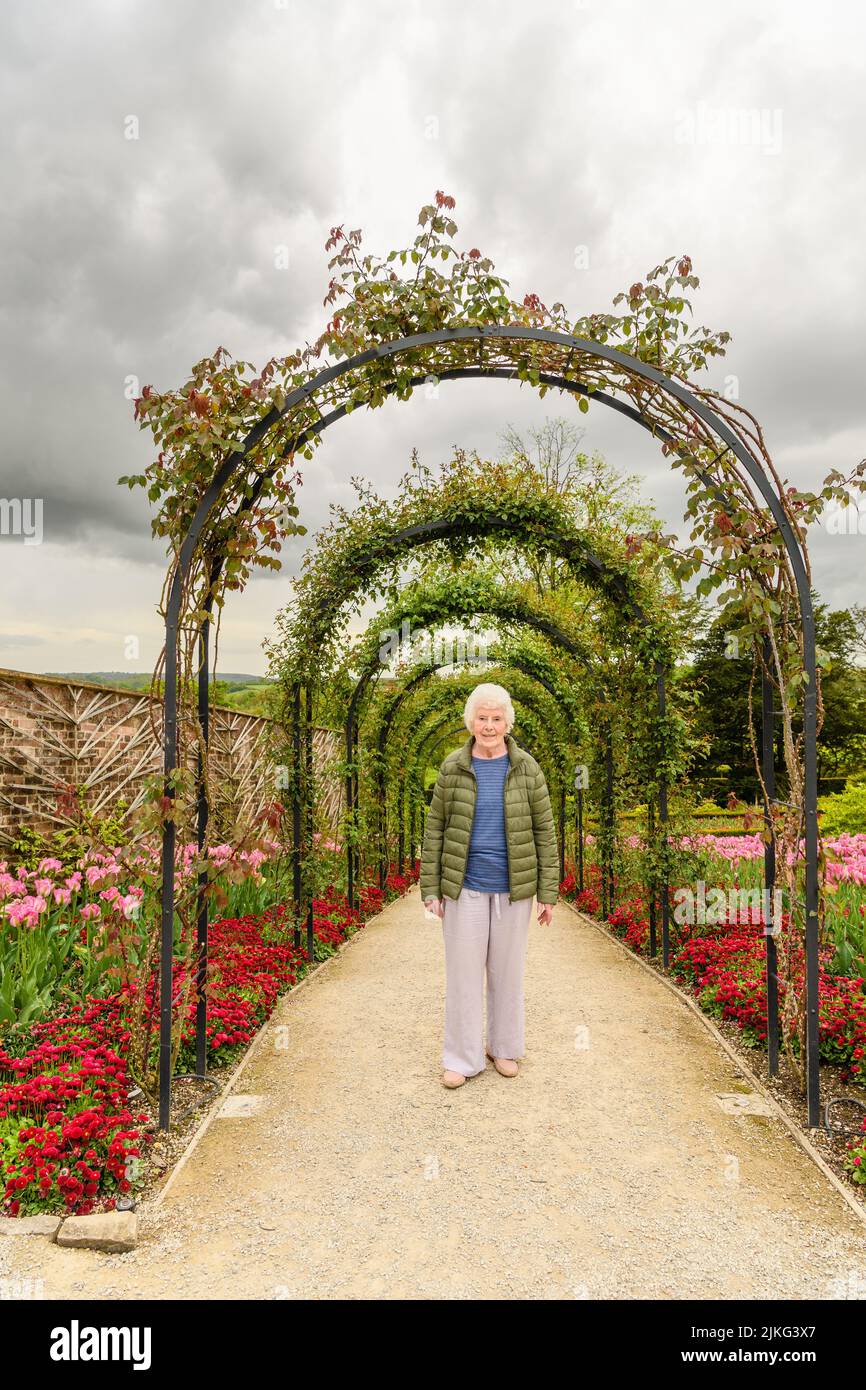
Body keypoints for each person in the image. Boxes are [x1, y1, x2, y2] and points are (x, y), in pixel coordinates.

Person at [420, 682, 559, 1088]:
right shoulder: (453, 767)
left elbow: (544, 832)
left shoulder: (527, 768)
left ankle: (504, 1048)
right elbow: (435, 829)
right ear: (471, 721)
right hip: (464, 886)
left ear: (507, 722)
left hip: (515, 889)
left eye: (496, 718)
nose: (489, 725)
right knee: (463, 974)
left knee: (507, 972)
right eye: (482, 718)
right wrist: (431, 887)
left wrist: (548, 894)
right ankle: (461, 1058)